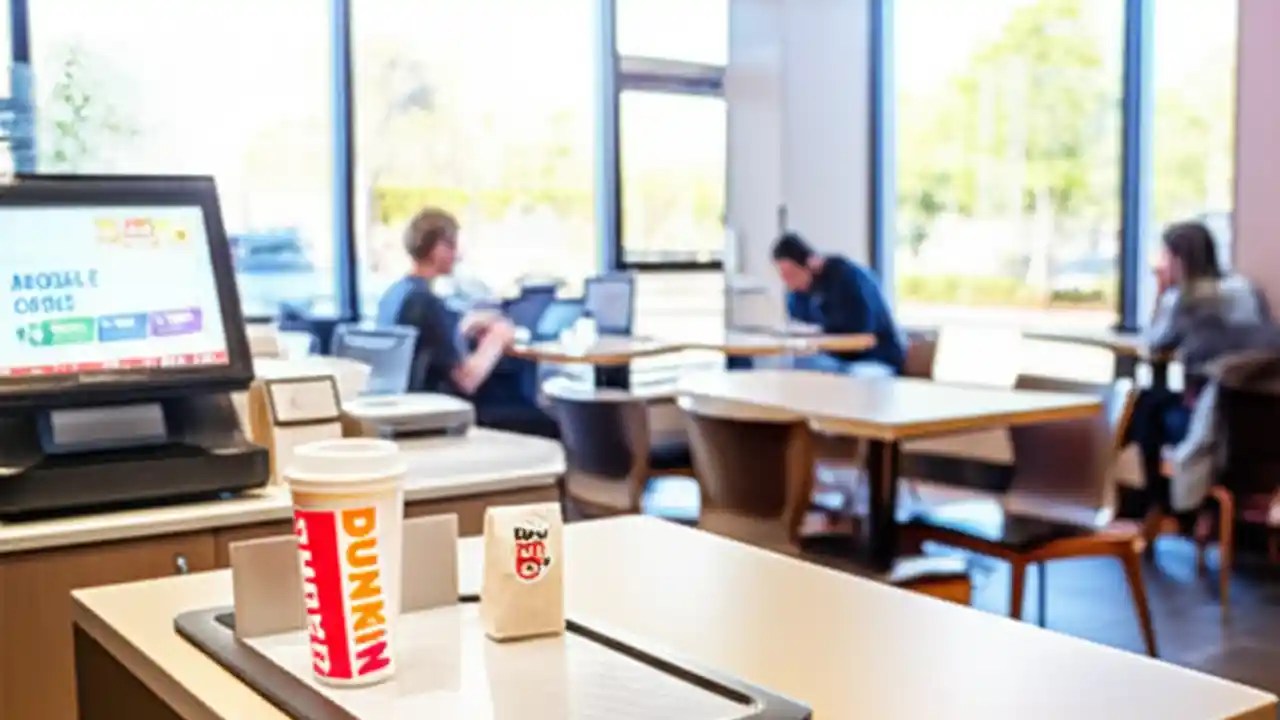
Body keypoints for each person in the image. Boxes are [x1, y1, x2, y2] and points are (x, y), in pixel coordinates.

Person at [1126, 220, 1268, 536]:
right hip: (1255, 423)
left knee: (1145, 407)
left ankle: (1158, 508)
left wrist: (1162, 294)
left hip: (1206, 420)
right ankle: (1180, 509)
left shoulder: (1187, 297)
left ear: (1178, 259)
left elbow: (1155, 344)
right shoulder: (1246, 290)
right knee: (1153, 404)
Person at [376, 207, 559, 438]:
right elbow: (467, 380)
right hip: (442, 412)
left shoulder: (397, 294)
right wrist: (498, 337)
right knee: (546, 420)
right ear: (439, 248)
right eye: (452, 246)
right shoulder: (425, 303)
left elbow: (426, 348)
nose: (457, 254)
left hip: (406, 407)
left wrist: (463, 326)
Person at [772, 232, 906, 376]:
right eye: (783, 276)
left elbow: (862, 331)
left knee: (823, 373)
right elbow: (800, 324)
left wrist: (821, 334)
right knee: (795, 365)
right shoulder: (799, 294)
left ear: (811, 263)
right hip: (836, 359)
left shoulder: (848, 278)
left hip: (875, 359)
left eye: (792, 274)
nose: (788, 283)